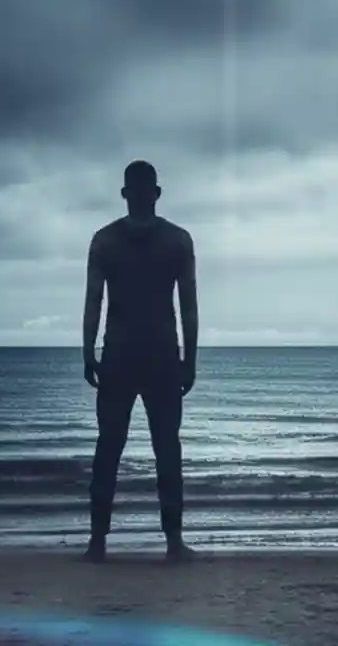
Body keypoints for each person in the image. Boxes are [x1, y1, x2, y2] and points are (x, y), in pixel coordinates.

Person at [82, 160, 198, 563]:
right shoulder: (178, 241)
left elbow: (94, 300)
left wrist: (87, 350)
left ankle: (98, 542)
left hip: (119, 354)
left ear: (125, 193)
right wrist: (190, 359)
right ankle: (173, 542)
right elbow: (189, 308)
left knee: (109, 448)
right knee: (166, 449)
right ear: (157, 193)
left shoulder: (104, 241)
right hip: (163, 354)